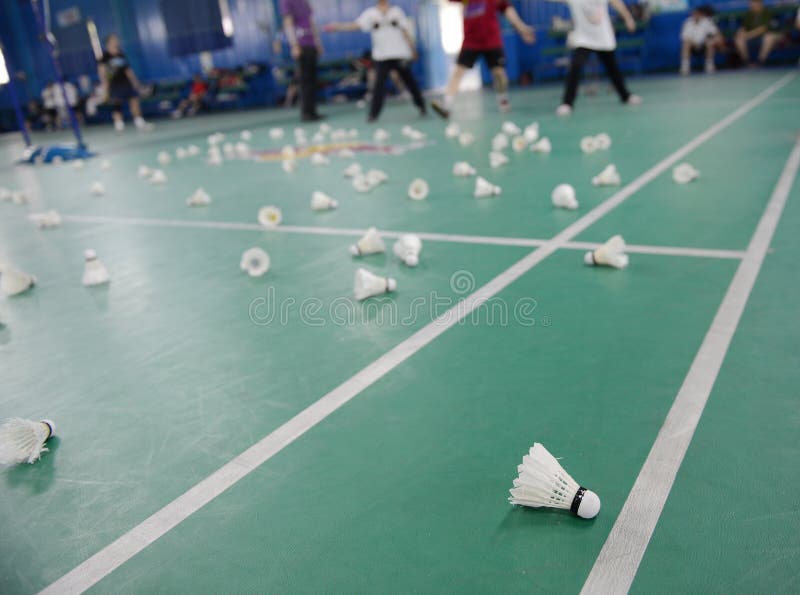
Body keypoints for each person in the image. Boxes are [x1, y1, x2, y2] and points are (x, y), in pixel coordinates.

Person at [324, 0, 426, 122]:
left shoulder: (397, 12)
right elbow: (356, 25)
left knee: (410, 82)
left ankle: (422, 106)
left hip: (399, 54)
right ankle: (373, 115)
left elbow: (405, 32)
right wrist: (338, 27)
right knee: (378, 86)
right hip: (382, 56)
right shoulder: (370, 14)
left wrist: (412, 50)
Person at [431, 0, 536, 119]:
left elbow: (507, 10)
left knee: (499, 73)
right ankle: (447, 106)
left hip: (492, 41)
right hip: (470, 41)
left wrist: (522, 28)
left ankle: (503, 100)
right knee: (458, 72)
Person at [550, 0, 642, 116]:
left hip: (603, 38)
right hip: (583, 39)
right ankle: (567, 103)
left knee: (613, 68)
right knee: (575, 66)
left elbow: (616, 2)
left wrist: (628, 18)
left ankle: (626, 96)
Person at [280, 0, 325, 121]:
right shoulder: (286, 1)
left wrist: (317, 42)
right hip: (300, 45)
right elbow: (288, 22)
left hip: (311, 45)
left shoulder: (305, 2)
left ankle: (312, 111)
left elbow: (311, 22)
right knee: (304, 81)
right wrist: (294, 45)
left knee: (312, 80)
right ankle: (306, 113)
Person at [97, 34, 150, 132]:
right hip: (114, 84)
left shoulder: (121, 54)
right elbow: (102, 73)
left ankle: (139, 122)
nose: (116, 41)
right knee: (116, 104)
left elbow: (128, 70)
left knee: (134, 101)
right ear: (109, 42)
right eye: (114, 39)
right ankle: (119, 125)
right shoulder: (104, 57)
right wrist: (105, 87)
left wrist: (135, 82)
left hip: (126, 83)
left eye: (116, 39)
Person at [734, 0, 780, 66]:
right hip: (753, 36)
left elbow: (763, 29)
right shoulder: (749, 13)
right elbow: (744, 27)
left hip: (772, 35)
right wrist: (740, 32)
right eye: (751, 4)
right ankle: (746, 62)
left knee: (769, 37)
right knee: (739, 39)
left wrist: (748, 35)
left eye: (755, 4)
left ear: (760, 4)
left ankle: (760, 61)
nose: (752, 6)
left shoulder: (767, 12)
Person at [680, 6, 723, 75]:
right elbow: (685, 37)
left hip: (704, 45)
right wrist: (694, 43)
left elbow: (716, 33)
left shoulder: (706, 21)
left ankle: (709, 65)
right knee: (686, 43)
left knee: (710, 42)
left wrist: (716, 39)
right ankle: (685, 67)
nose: (695, 15)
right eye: (694, 14)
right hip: (692, 45)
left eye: (697, 14)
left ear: (700, 14)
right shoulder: (687, 22)